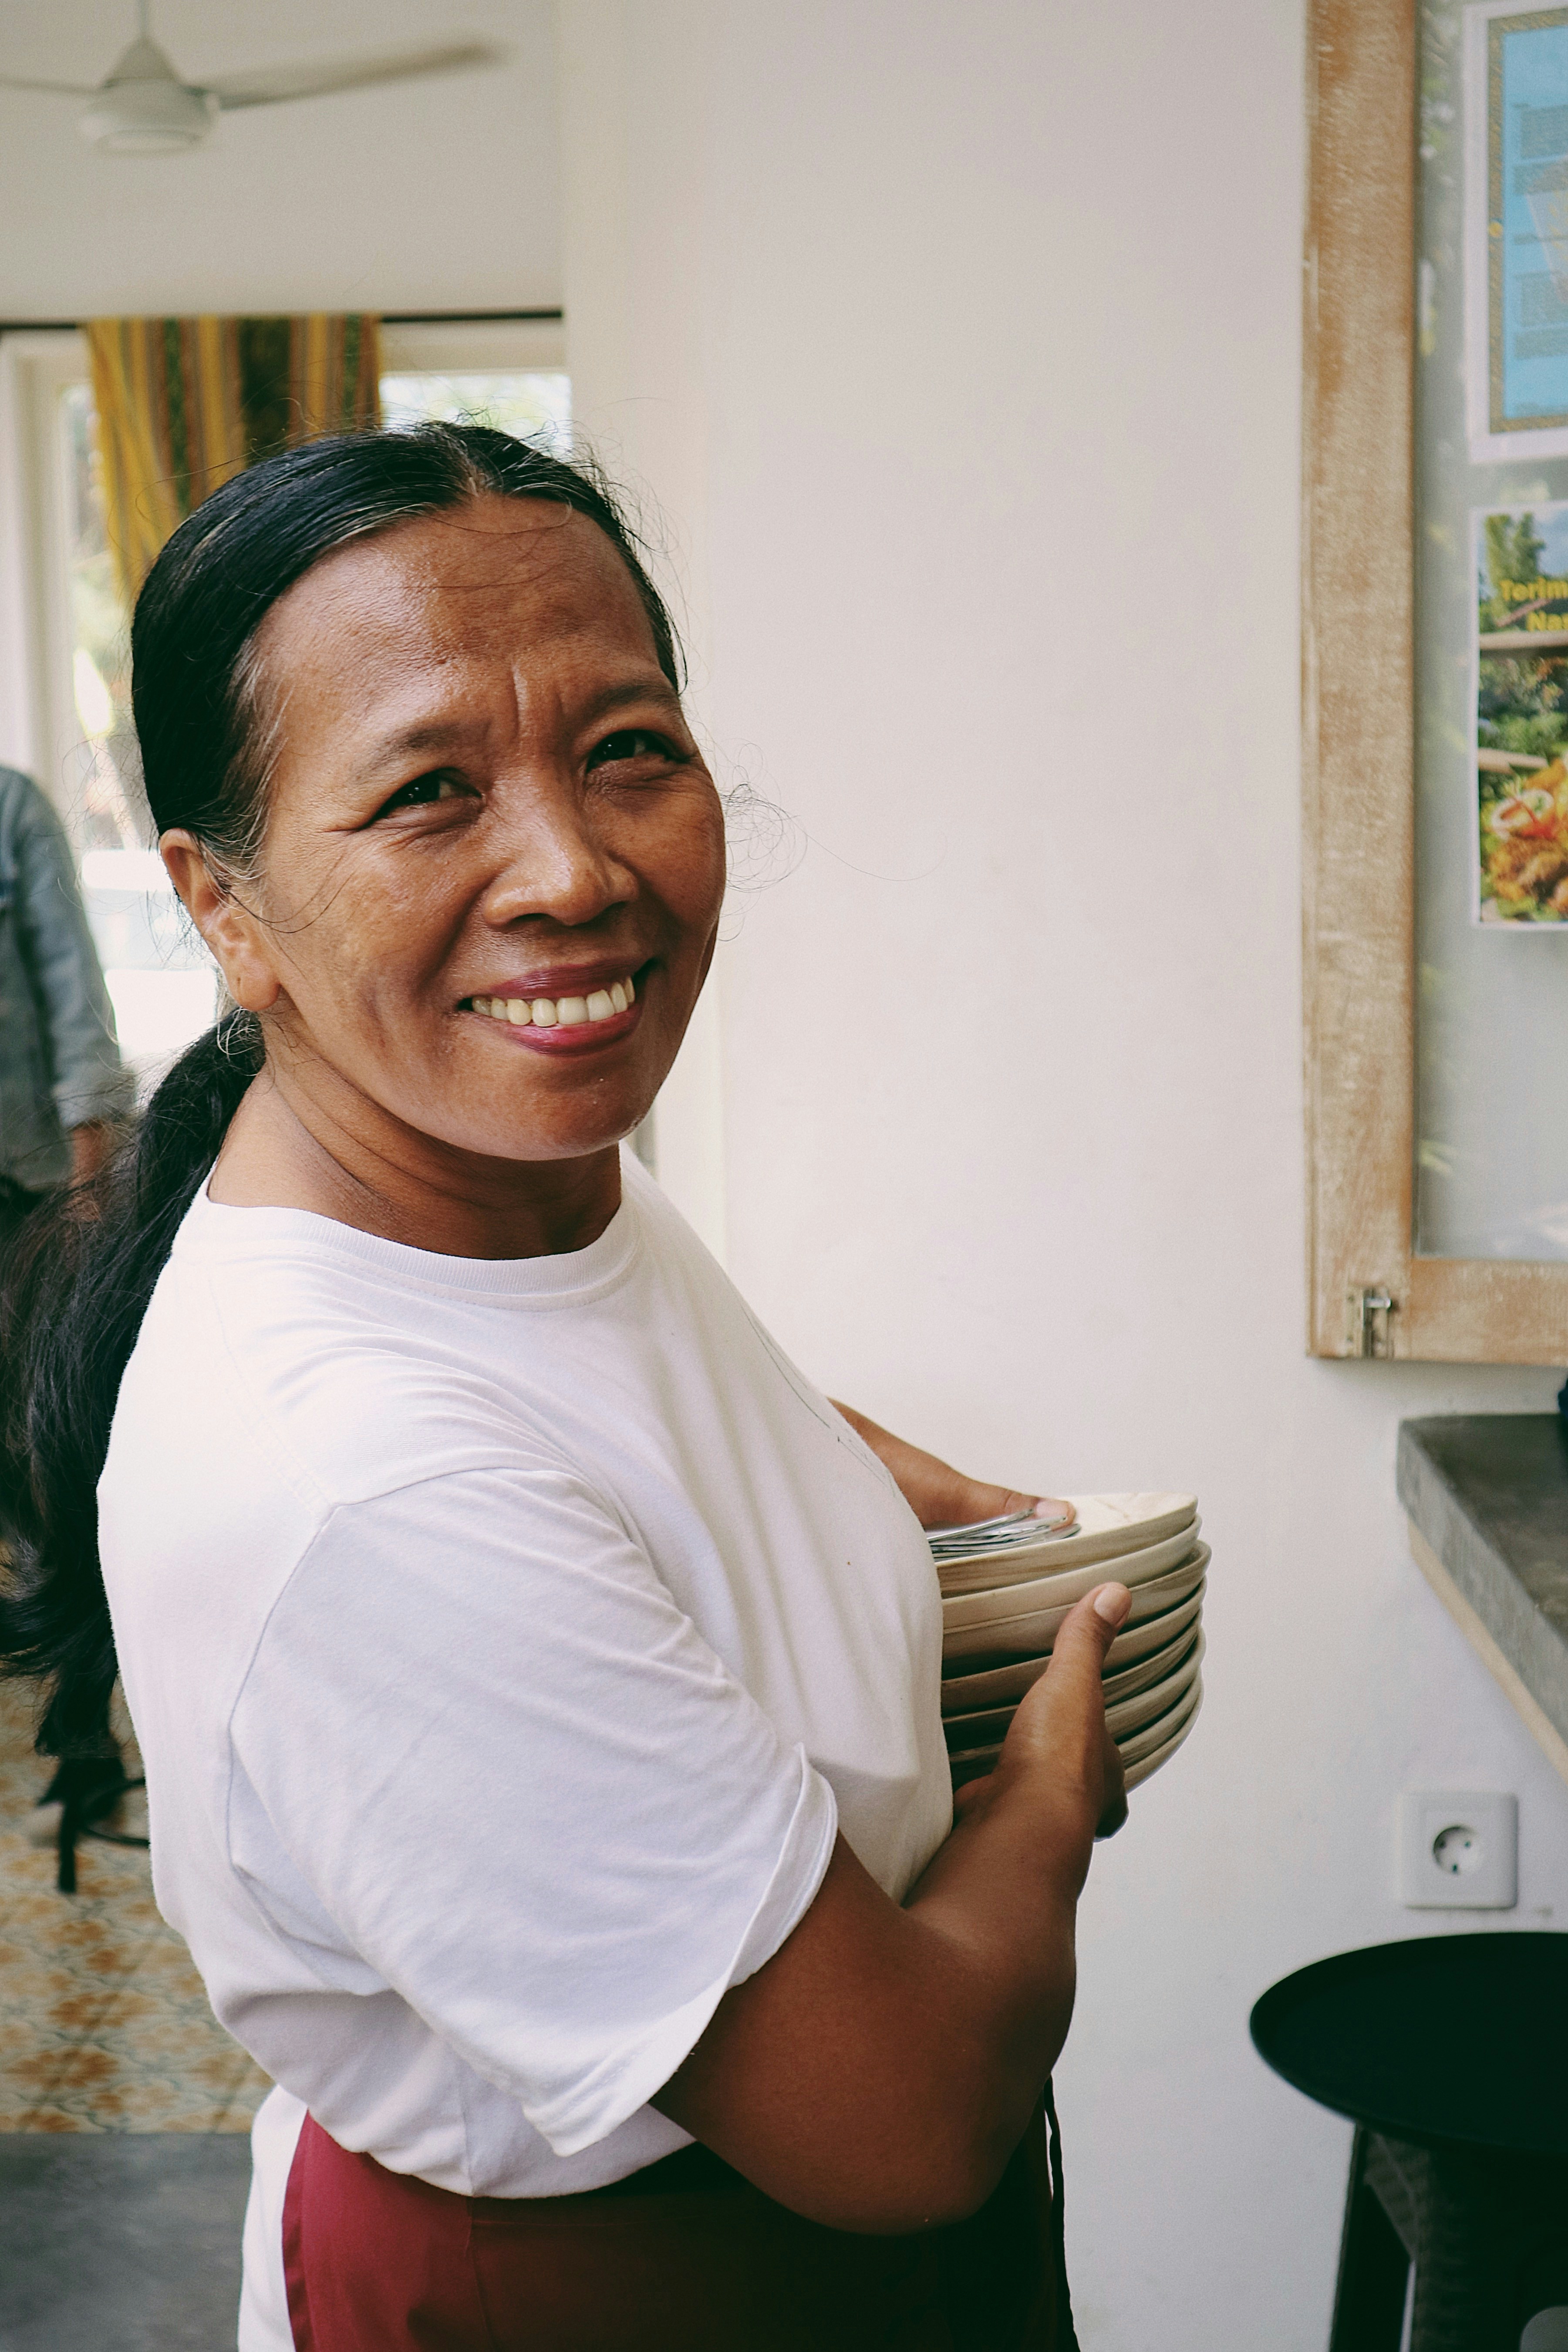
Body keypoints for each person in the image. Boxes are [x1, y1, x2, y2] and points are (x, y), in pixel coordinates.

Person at [0, 425, 1129, 2352]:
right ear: (223, 908)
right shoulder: (359, 1485)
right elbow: (913, 2113)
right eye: (431, 789)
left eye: (626, 748)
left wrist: (876, 1494)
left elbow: (603, 1412)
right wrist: (1052, 1779)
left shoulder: (511, 1173)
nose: (574, 870)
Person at [0, 762, 136, 1878]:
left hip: (25, 1192)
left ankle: (80, 1731)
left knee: (53, 1460)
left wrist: (94, 1191)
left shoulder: (10, 809)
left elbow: (68, 986)